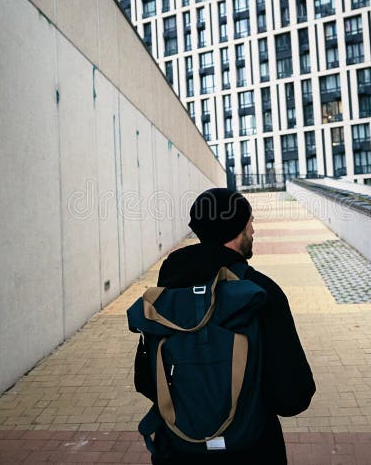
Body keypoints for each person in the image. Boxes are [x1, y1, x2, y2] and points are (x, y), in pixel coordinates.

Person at [134, 187, 316, 464]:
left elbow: (148, 380)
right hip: (252, 449)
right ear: (237, 228)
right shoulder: (261, 292)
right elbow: (293, 396)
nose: (253, 230)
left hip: (178, 450)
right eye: (250, 222)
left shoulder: (166, 291)